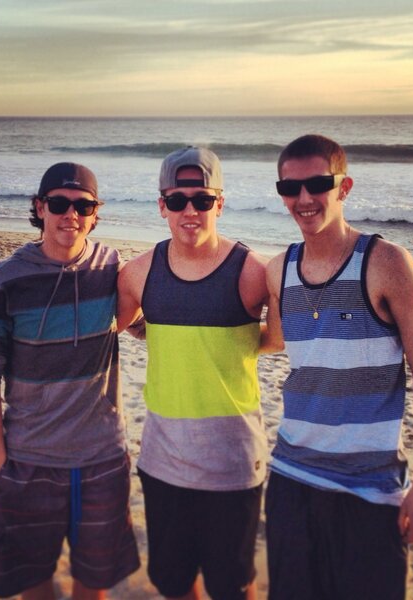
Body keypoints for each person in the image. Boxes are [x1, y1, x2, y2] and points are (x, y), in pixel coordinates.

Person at [264, 134, 413, 599]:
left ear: (343, 187)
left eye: (318, 184)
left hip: (369, 490)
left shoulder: (387, 264)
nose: (304, 198)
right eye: (290, 188)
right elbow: (270, 340)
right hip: (291, 479)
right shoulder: (277, 270)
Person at [0, 162, 139, 599]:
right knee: (33, 585)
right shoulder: (4, 280)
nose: (71, 215)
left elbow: (145, 320)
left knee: (94, 585)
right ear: (40, 207)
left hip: (102, 460)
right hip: (28, 461)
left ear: (96, 213)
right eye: (60, 204)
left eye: (83, 206)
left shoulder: (113, 268)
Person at [117, 147, 269, 600]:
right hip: (163, 461)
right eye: (177, 199)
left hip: (233, 464)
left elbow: (279, 338)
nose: (190, 210)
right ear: (161, 205)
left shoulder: (253, 271)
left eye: (202, 200)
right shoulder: (138, 273)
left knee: (232, 586)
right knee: (174, 582)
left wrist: (225, 341)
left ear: (219, 204)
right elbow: (114, 325)